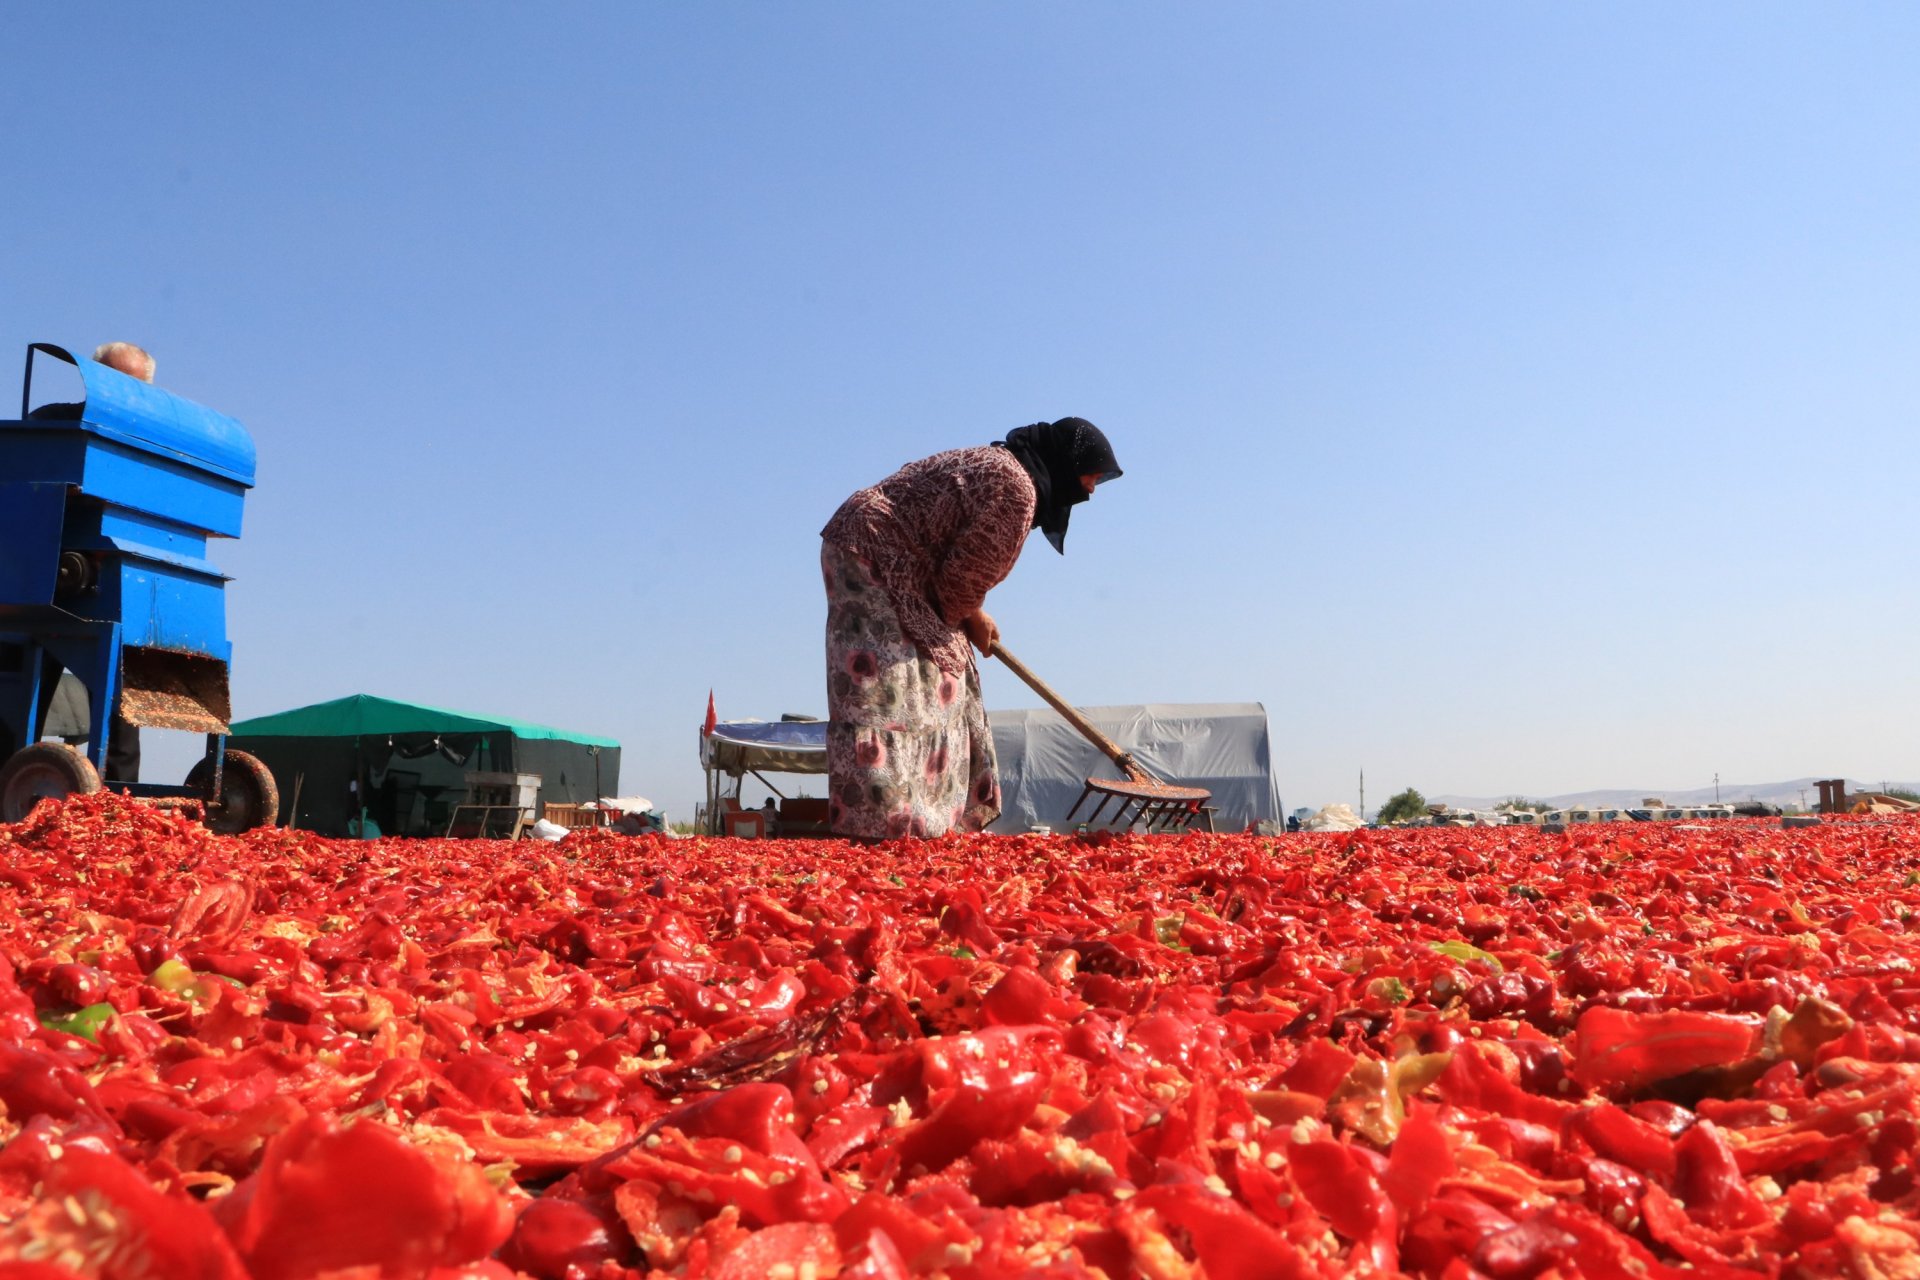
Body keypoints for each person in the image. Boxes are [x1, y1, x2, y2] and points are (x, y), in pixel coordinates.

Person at [819, 417, 1122, 839]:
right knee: (893, 684)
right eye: (1091, 473)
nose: (1091, 487)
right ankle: (883, 823)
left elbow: (957, 575)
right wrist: (974, 614)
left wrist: (972, 614)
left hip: (879, 547)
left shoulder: (1007, 469)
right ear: (1066, 462)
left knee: (944, 673)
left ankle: (920, 821)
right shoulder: (1017, 490)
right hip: (873, 550)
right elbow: (958, 585)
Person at [30, 343, 157, 781]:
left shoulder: (154, 441)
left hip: (116, 577)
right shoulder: (52, 421)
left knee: (122, 699)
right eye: (113, 380)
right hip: (44, 570)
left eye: (133, 386)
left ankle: (120, 798)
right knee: (24, 678)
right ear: (93, 376)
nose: (122, 393)